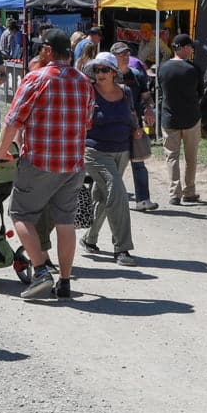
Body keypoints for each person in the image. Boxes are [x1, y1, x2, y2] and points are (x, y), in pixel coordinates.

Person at [0, 29, 92, 299]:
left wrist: (3, 150)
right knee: (65, 222)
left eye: (42, 49)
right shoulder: (84, 81)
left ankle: (40, 271)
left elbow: (14, 120)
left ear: (49, 50)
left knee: (21, 214)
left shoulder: (36, 79)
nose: (39, 52)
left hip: (39, 160)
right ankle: (65, 280)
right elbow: (87, 122)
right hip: (72, 163)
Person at [79, 53, 139, 266]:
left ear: (114, 72)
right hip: (95, 152)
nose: (100, 74)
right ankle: (122, 249)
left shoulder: (126, 92)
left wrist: (137, 129)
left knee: (105, 198)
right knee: (117, 192)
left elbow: (131, 115)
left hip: (121, 151)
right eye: (97, 70)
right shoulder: (88, 92)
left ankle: (89, 238)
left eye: (105, 69)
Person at [111, 42, 158, 212]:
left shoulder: (137, 75)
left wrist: (149, 109)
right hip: (113, 126)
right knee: (114, 164)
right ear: (113, 57)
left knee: (138, 163)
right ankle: (111, 200)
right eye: (120, 54)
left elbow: (146, 96)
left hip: (135, 125)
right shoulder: (108, 75)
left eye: (126, 53)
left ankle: (143, 200)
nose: (124, 57)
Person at [158, 34, 204, 205]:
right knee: (191, 157)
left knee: (171, 156)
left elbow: (160, 90)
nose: (192, 49)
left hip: (169, 118)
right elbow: (201, 93)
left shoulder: (163, 68)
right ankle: (189, 191)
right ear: (184, 48)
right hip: (191, 118)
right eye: (191, 47)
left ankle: (174, 193)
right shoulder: (193, 69)